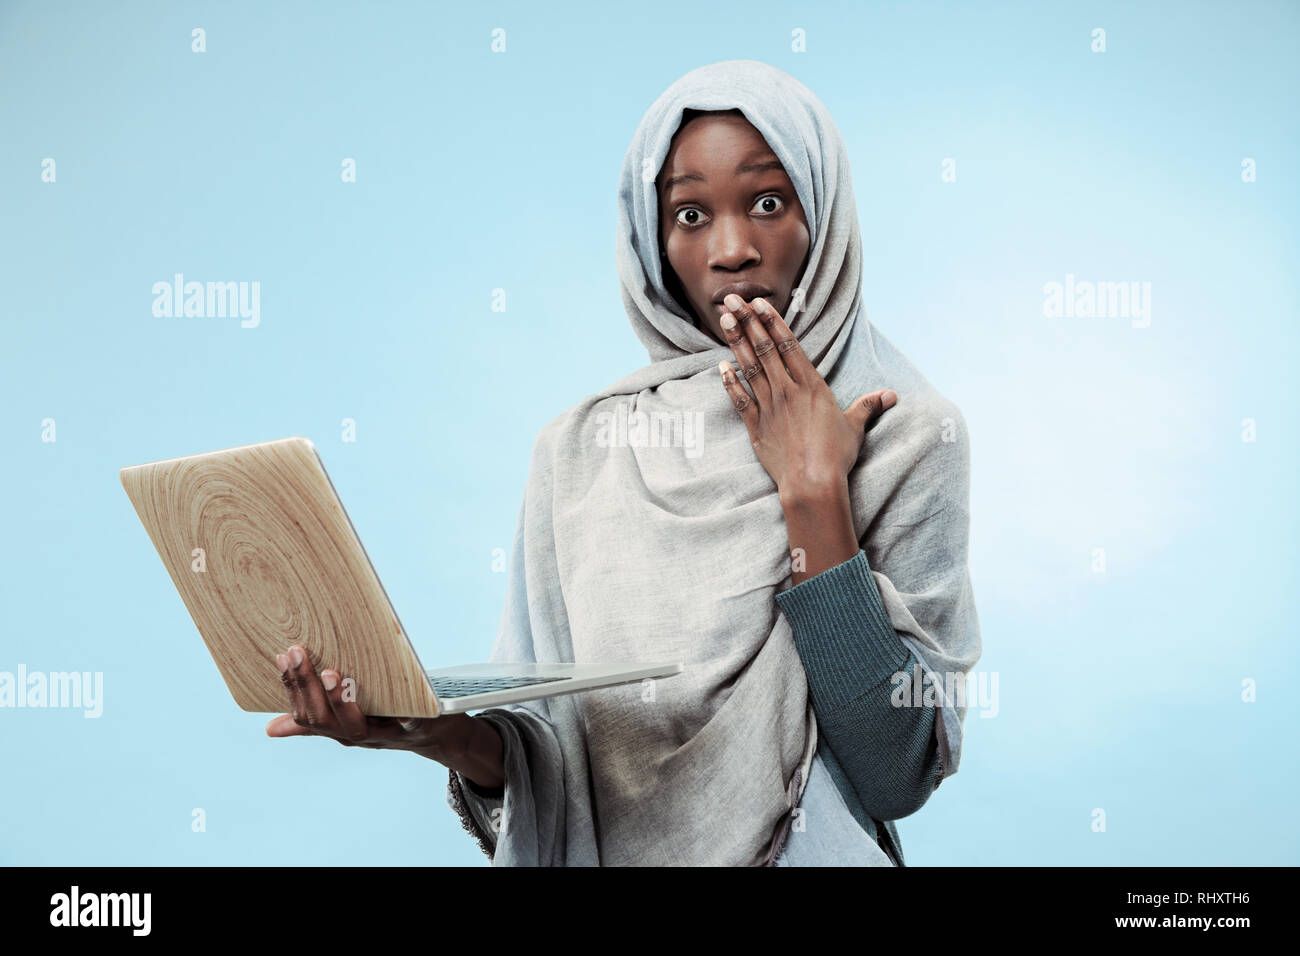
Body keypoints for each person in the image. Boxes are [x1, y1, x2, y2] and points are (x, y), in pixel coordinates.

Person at [267, 59, 982, 867]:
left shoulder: (909, 435)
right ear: (652, 243)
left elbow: (894, 772)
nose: (733, 250)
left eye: (769, 202)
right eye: (688, 214)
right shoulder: (577, 450)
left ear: (825, 212)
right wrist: (429, 732)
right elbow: (553, 752)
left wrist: (814, 494)